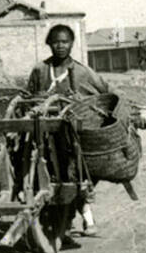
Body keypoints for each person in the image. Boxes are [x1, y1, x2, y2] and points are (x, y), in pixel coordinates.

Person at [26, 24, 110, 234]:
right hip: (43, 133)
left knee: (76, 171)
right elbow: (28, 97)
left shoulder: (83, 72)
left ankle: (87, 217)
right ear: (49, 44)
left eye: (65, 42)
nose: (60, 46)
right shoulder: (40, 70)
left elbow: (103, 94)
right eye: (56, 42)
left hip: (72, 135)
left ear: (72, 44)